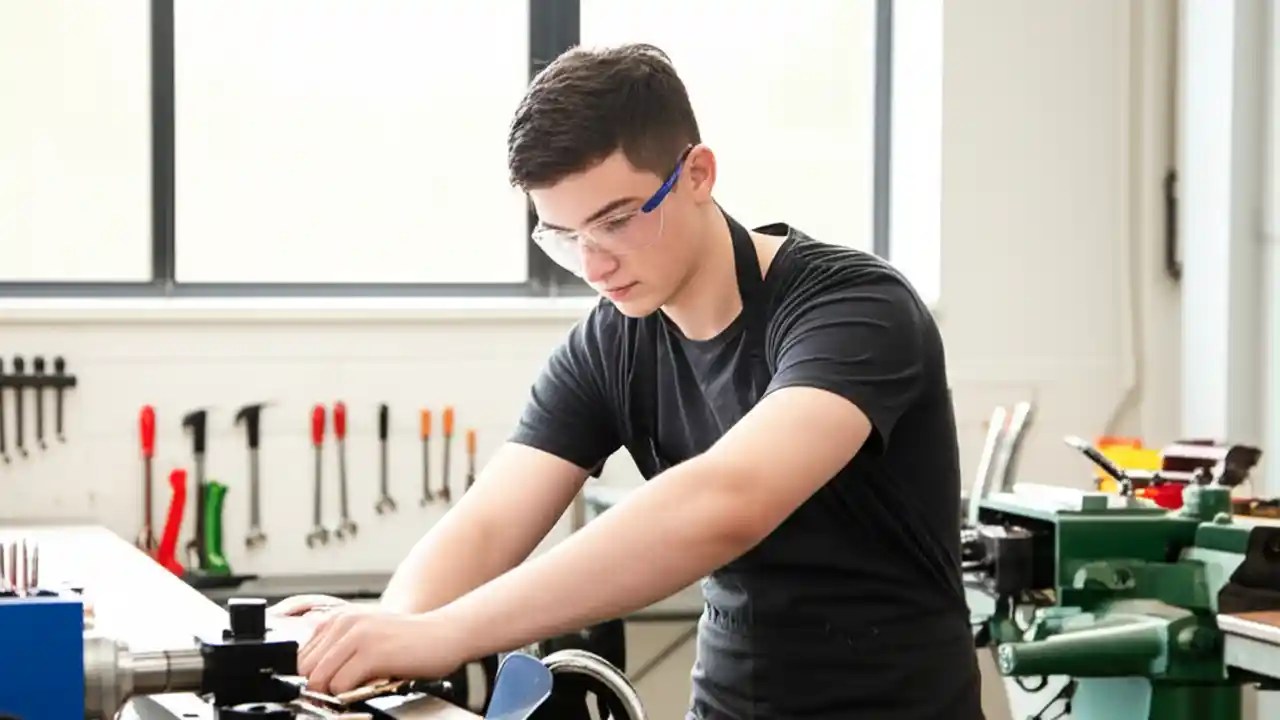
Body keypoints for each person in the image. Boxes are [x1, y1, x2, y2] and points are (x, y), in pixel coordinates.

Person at [275, 43, 983, 719]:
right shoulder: (612, 342)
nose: (594, 265)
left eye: (615, 221)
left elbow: (725, 501)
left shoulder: (854, 307)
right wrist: (381, 632)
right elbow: (491, 521)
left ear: (699, 174)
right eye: (562, 236)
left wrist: (447, 633)